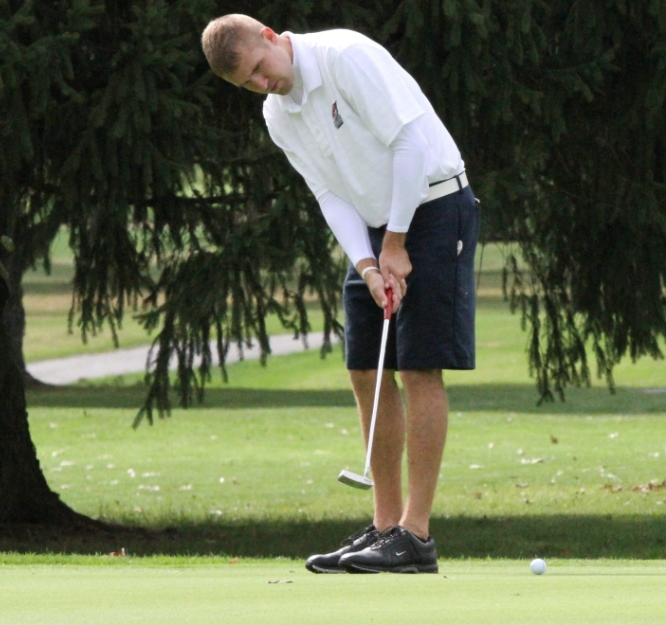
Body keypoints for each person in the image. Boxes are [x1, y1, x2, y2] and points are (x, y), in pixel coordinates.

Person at [200, 14, 479, 574]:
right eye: (247, 85)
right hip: (377, 229)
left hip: (434, 208)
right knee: (365, 370)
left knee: (420, 368)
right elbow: (328, 192)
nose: (262, 85)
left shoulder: (344, 56)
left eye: (260, 69)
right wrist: (368, 263)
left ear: (271, 37)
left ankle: (415, 535)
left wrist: (396, 243)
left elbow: (409, 145)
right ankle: (383, 527)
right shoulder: (278, 114)